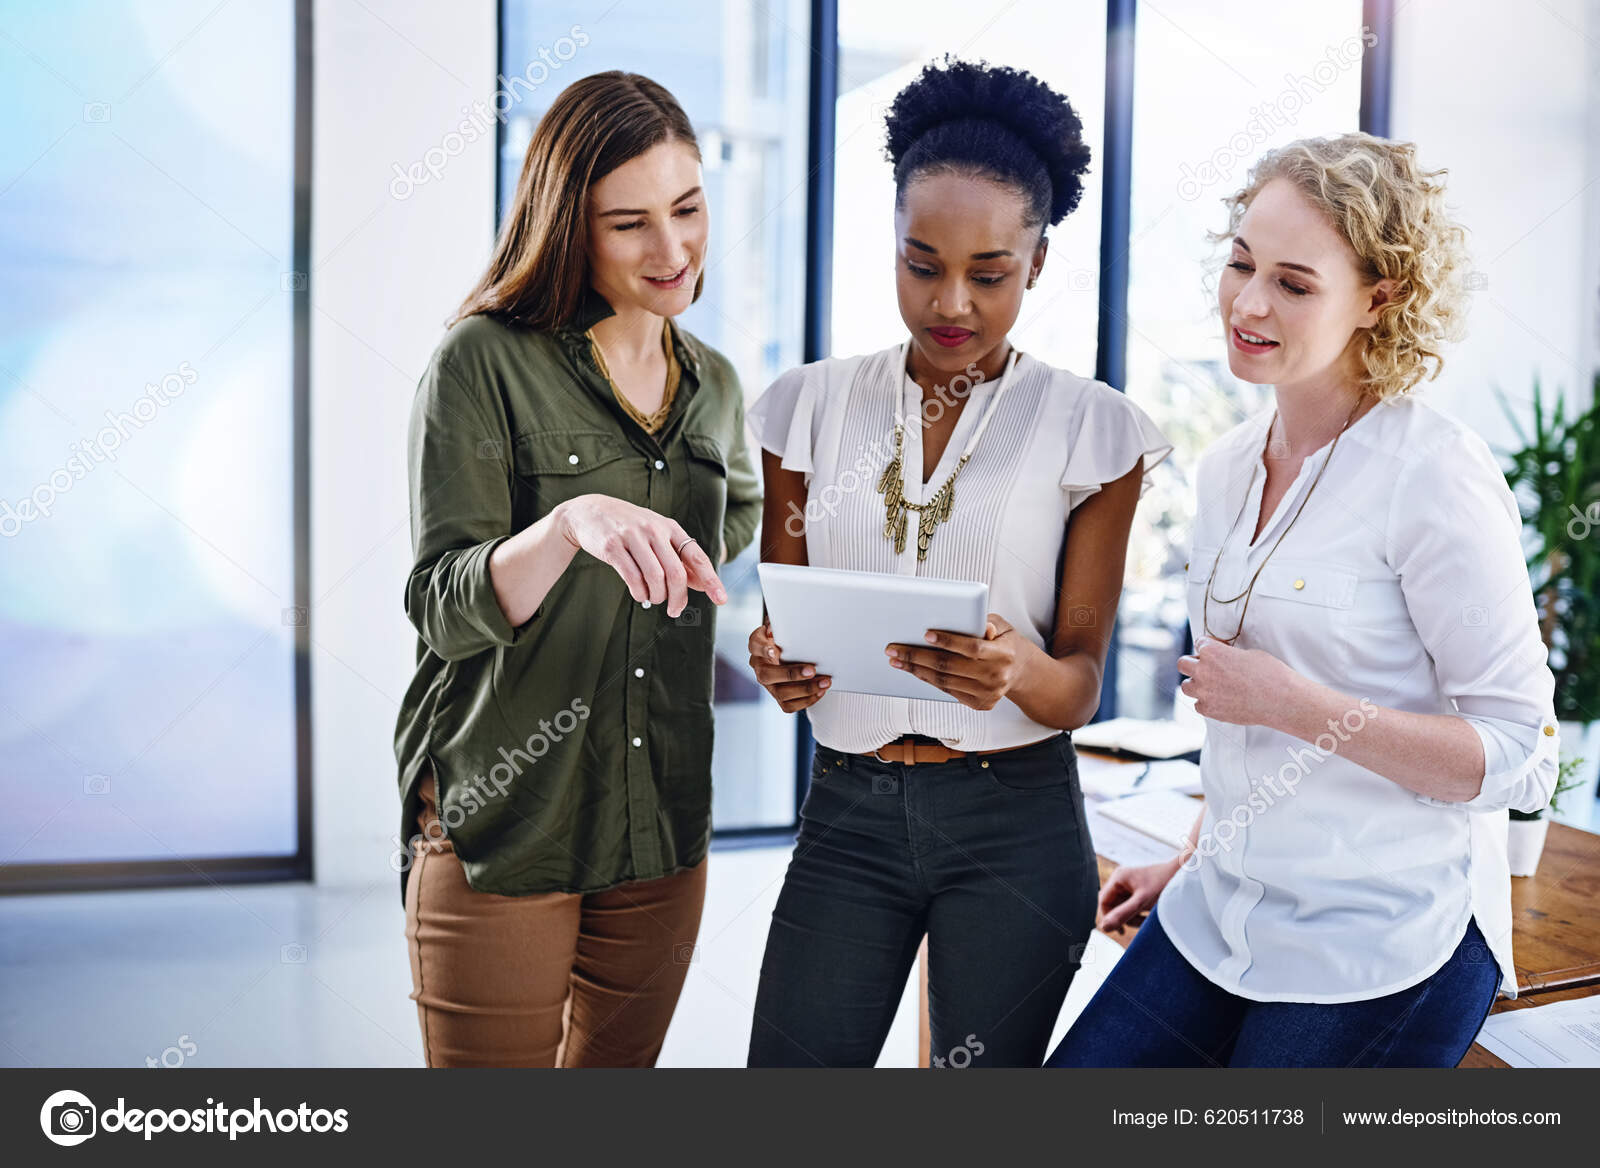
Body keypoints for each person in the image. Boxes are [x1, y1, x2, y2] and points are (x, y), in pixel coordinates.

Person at [1046, 133, 1561, 1068]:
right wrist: (1192, 857)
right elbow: (1247, 741)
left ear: (1380, 299)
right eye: (1241, 263)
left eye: (1293, 283)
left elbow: (1523, 757)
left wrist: (1301, 707)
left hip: (1386, 939)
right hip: (1221, 908)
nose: (1248, 303)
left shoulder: (1434, 476)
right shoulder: (1225, 469)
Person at [742, 58, 1171, 1067]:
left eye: (989, 274)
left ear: (1039, 262)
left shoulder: (1095, 429)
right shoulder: (804, 407)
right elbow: (783, 623)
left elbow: (1078, 685)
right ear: (892, 243)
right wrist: (775, 664)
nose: (950, 302)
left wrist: (1017, 670)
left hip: (1014, 824)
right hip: (847, 811)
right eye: (920, 263)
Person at [392, 71, 762, 1068]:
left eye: (688, 208)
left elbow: (731, 521)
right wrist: (568, 526)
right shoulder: (481, 361)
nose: (672, 249)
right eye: (629, 223)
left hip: (659, 821)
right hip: (510, 815)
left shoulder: (717, 384)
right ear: (569, 228)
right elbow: (440, 604)